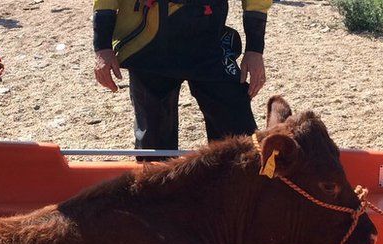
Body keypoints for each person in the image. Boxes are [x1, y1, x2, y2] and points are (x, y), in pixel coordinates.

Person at [92, 0, 271, 153]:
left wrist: (255, 50)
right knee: (154, 145)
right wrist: (102, 47)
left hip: (210, 40)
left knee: (239, 135)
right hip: (149, 43)